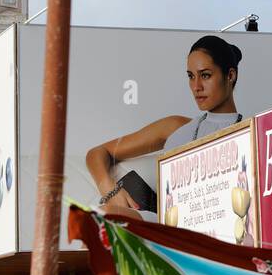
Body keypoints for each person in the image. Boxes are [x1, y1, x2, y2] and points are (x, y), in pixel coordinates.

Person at [85, 35, 243, 217]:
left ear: (230, 75)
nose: (196, 86)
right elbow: (97, 153)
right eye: (191, 76)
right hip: (162, 222)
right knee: (99, 216)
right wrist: (110, 189)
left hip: (211, 227)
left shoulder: (249, 137)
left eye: (205, 75)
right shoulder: (177, 127)